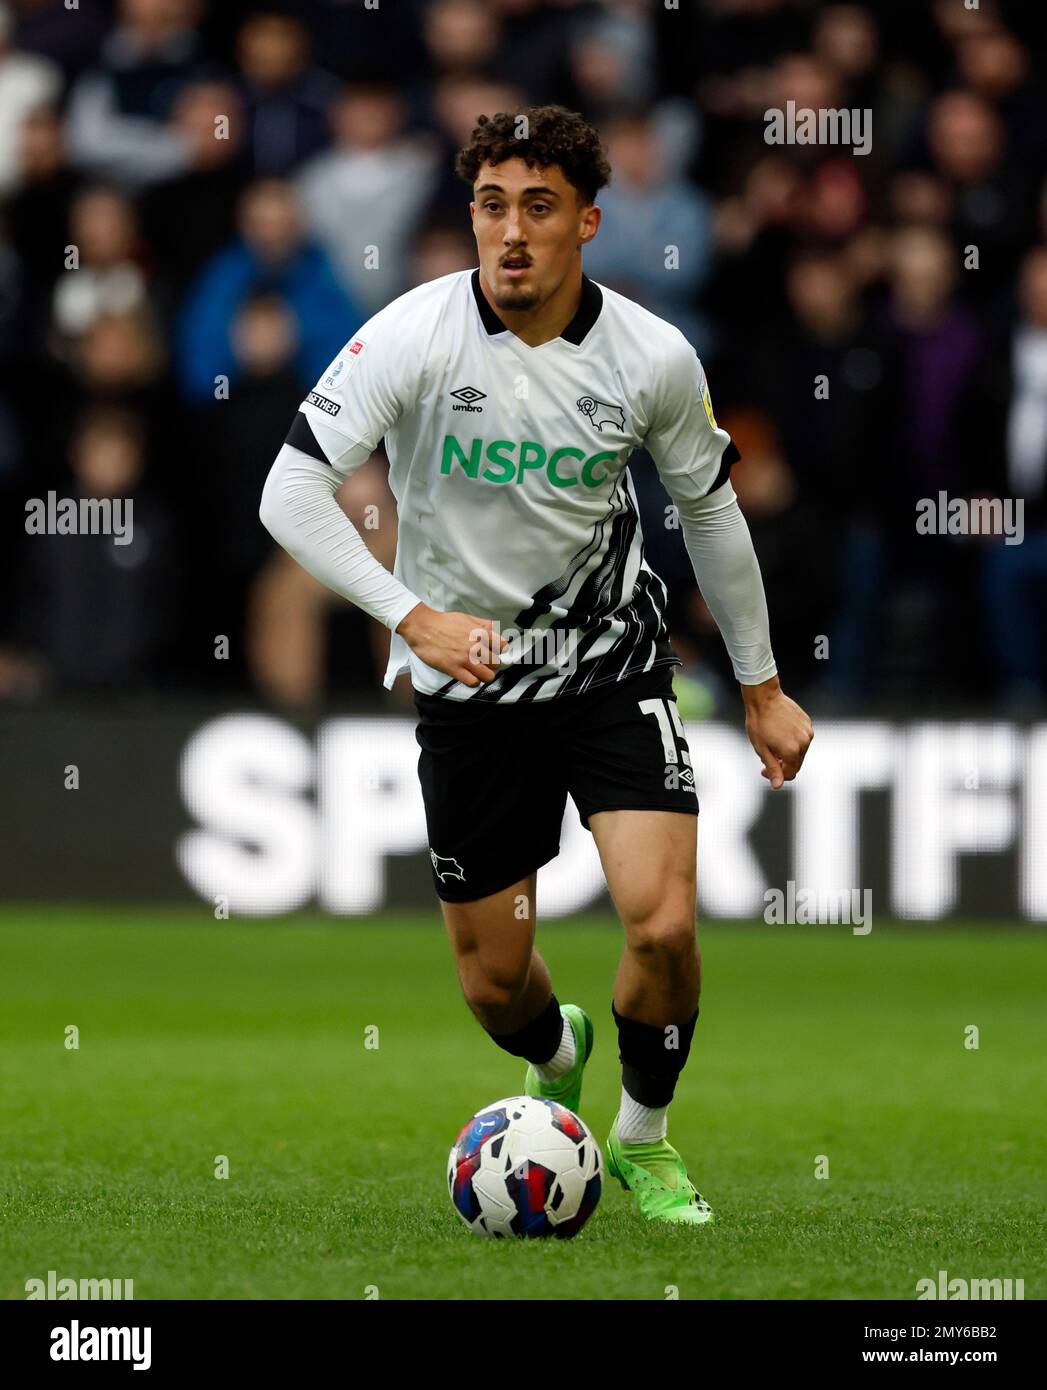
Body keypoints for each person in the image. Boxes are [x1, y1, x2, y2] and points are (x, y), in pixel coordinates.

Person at [260, 105, 813, 1226]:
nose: (510, 233)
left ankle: (645, 1139)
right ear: (471, 214)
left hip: (613, 669)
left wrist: (760, 686)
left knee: (661, 927)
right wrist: (409, 615)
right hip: (470, 688)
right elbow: (288, 492)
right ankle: (559, 1055)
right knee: (494, 982)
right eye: (491, 205)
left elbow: (710, 515)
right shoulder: (411, 335)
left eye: (540, 208)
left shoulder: (653, 356)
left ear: (588, 223)